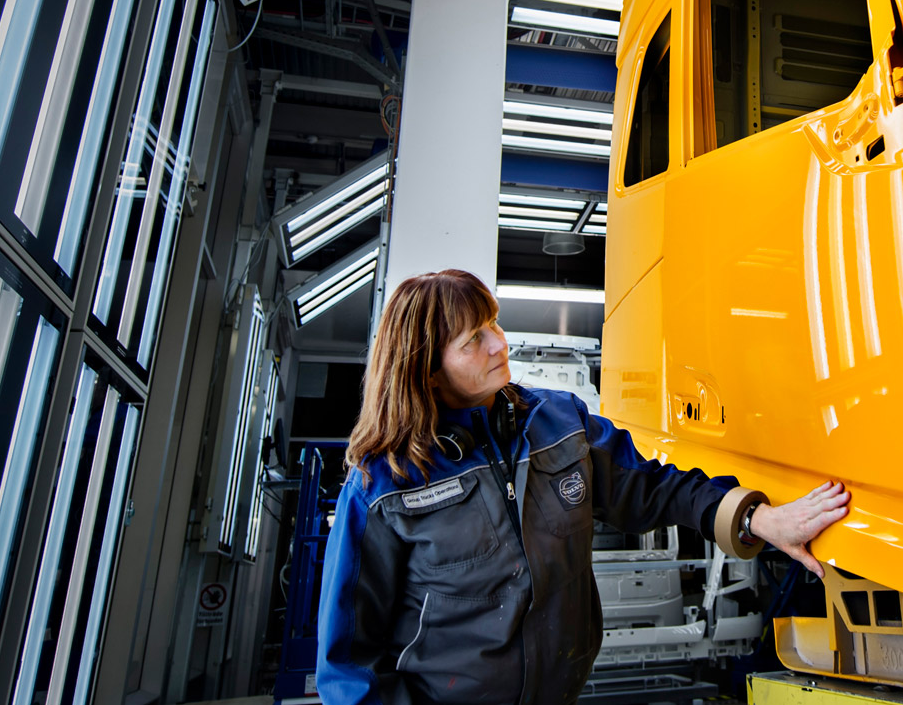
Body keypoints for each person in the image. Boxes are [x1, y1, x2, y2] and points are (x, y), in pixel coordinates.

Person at [317, 269, 850, 705]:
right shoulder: (384, 486)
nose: (499, 344)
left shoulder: (559, 423)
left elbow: (654, 488)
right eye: (473, 339)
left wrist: (758, 519)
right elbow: (348, 662)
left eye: (493, 323)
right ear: (428, 370)